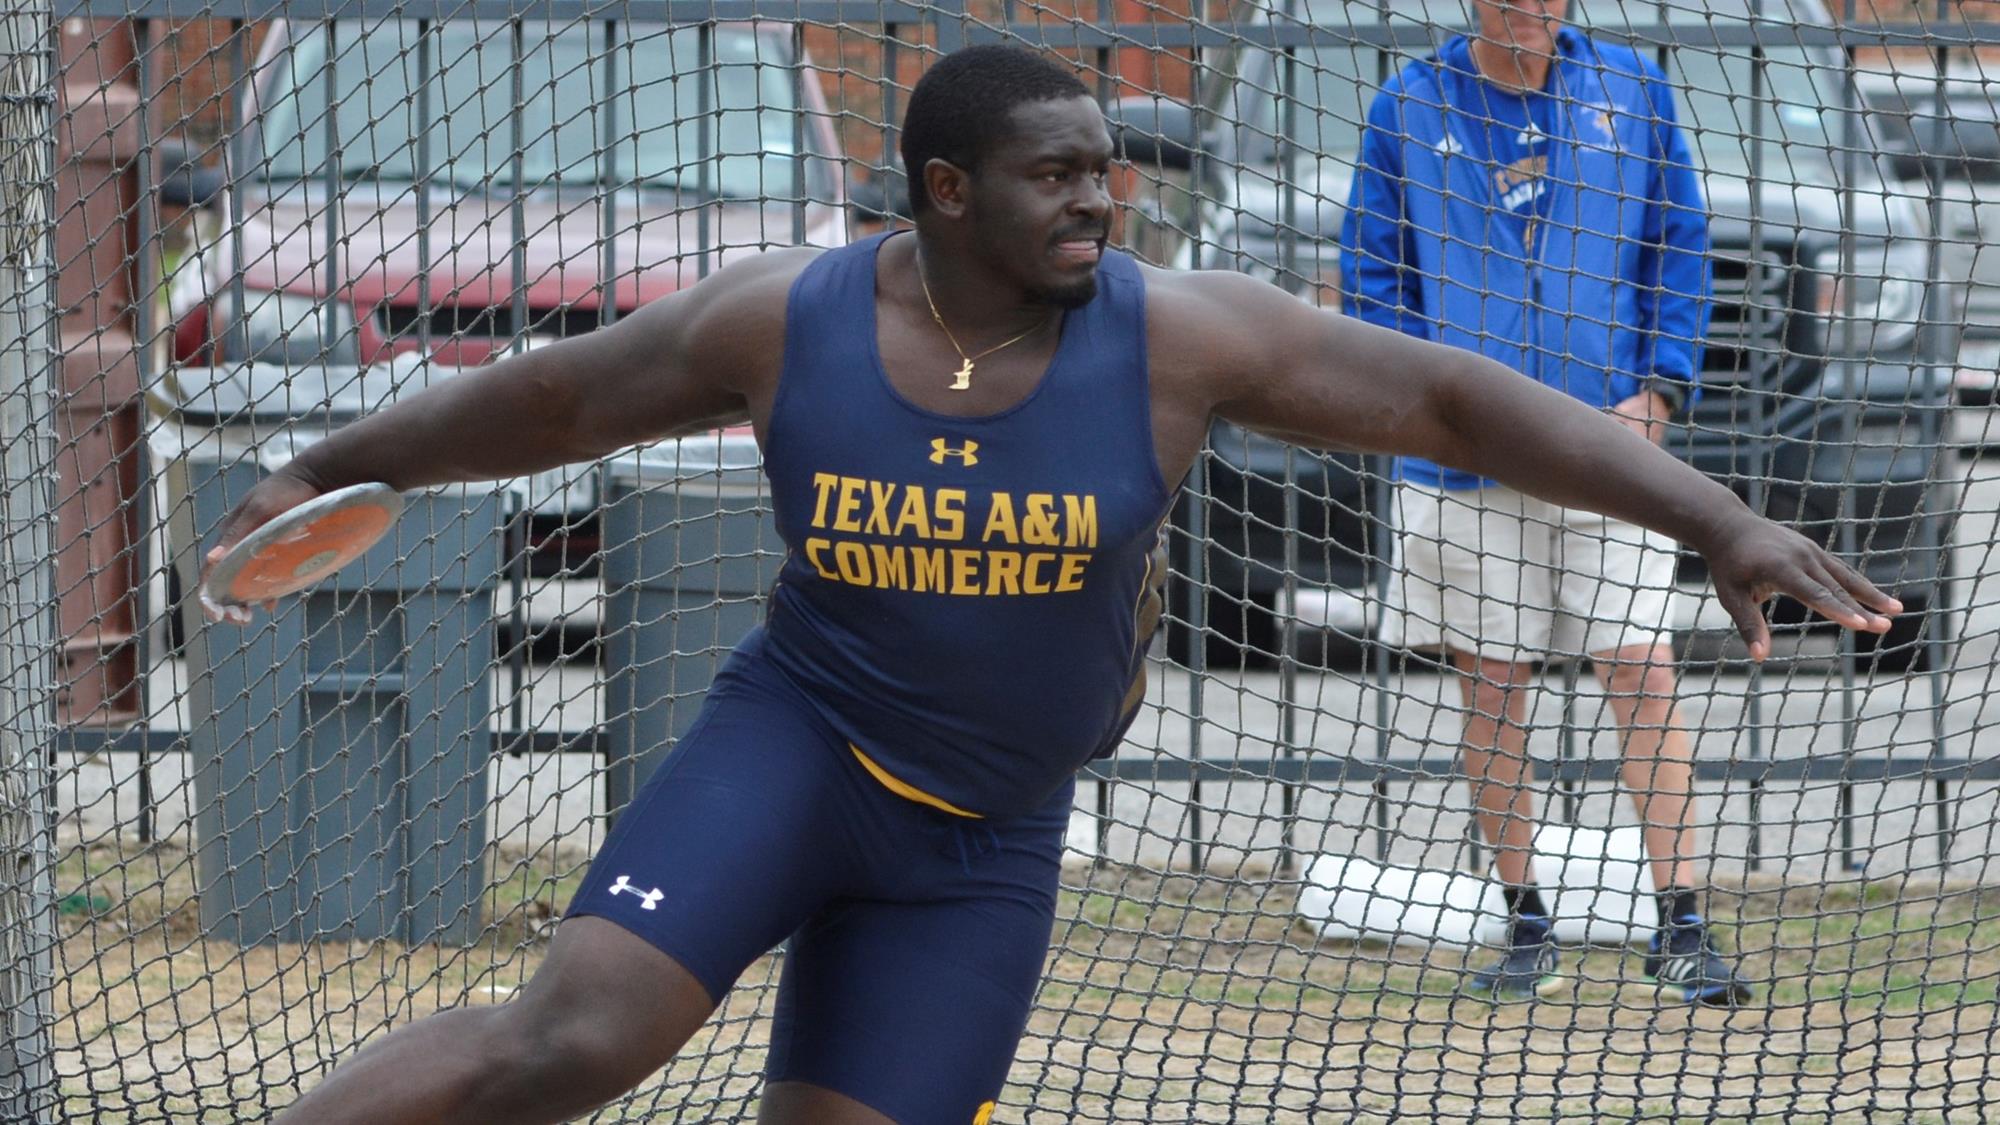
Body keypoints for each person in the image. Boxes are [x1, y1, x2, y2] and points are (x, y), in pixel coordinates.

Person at [214, 44, 1893, 1125]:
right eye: (1057, 173)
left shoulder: (1176, 341)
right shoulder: (780, 321)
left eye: (1111, 166)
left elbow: (1454, 399)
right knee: (561, 1049)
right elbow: (556, 398)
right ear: (948, 193)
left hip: (988, 836)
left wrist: (1714, 519)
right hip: (792, 753)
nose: (1102, 195)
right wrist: (329, 466)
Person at [1338, 0, 1741, 1005]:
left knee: (1640, 670)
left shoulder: (1631, 91)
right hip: (1462, 461)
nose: (1527, 15)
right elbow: (1372, 280)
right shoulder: (1406, 105)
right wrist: (1419, 408)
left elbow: (1675, 243)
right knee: (1492, 684)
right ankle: (1524, 922)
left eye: (1545, 1)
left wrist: (1658, 386)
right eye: (1508, 2)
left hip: (1608, 448)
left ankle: (1680, 925)